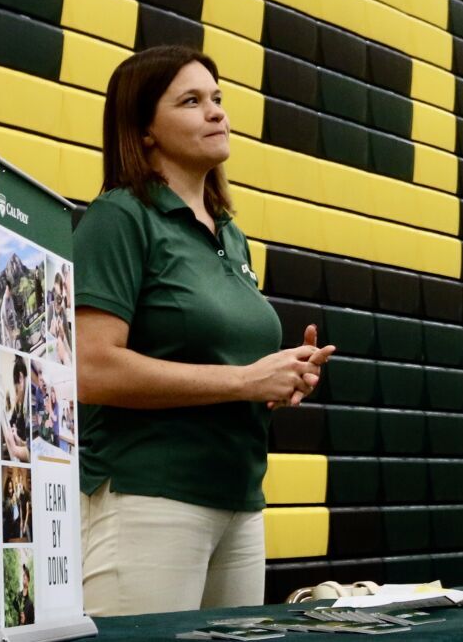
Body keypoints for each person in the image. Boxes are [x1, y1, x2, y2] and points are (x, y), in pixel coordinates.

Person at [76, 45, 336, 614]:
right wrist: (244, 380)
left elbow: (220, 374)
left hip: (240, 501)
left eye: (217, 98)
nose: (216, 112)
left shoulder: (231, 236)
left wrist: (279, 380)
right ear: (144, 129)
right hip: (150, 496)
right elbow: (89, 368)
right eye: (191, 101)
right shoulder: (120, 217)